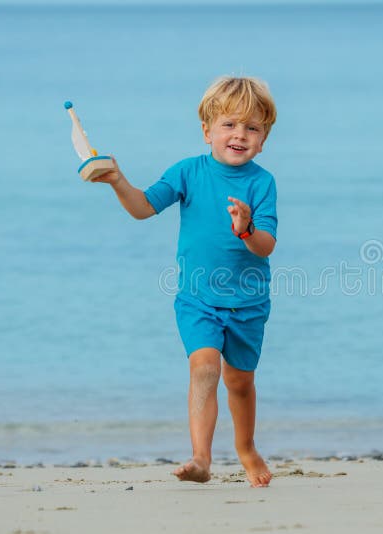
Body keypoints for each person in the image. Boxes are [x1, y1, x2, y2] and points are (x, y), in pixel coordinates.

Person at [92, 76, 278, 488]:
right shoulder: (187, 172)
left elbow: (266, 247)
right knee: (205, 368)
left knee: (240, 383)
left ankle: (246, 448)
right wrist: (118, 181)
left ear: (264, 139)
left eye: (252, 128)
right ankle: (201, 458)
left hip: (248, 303)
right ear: (207, 130)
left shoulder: (261, 183)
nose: (239, 135)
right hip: (198, 300)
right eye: (230, 124)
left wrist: (246, 229)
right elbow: (142, 208)